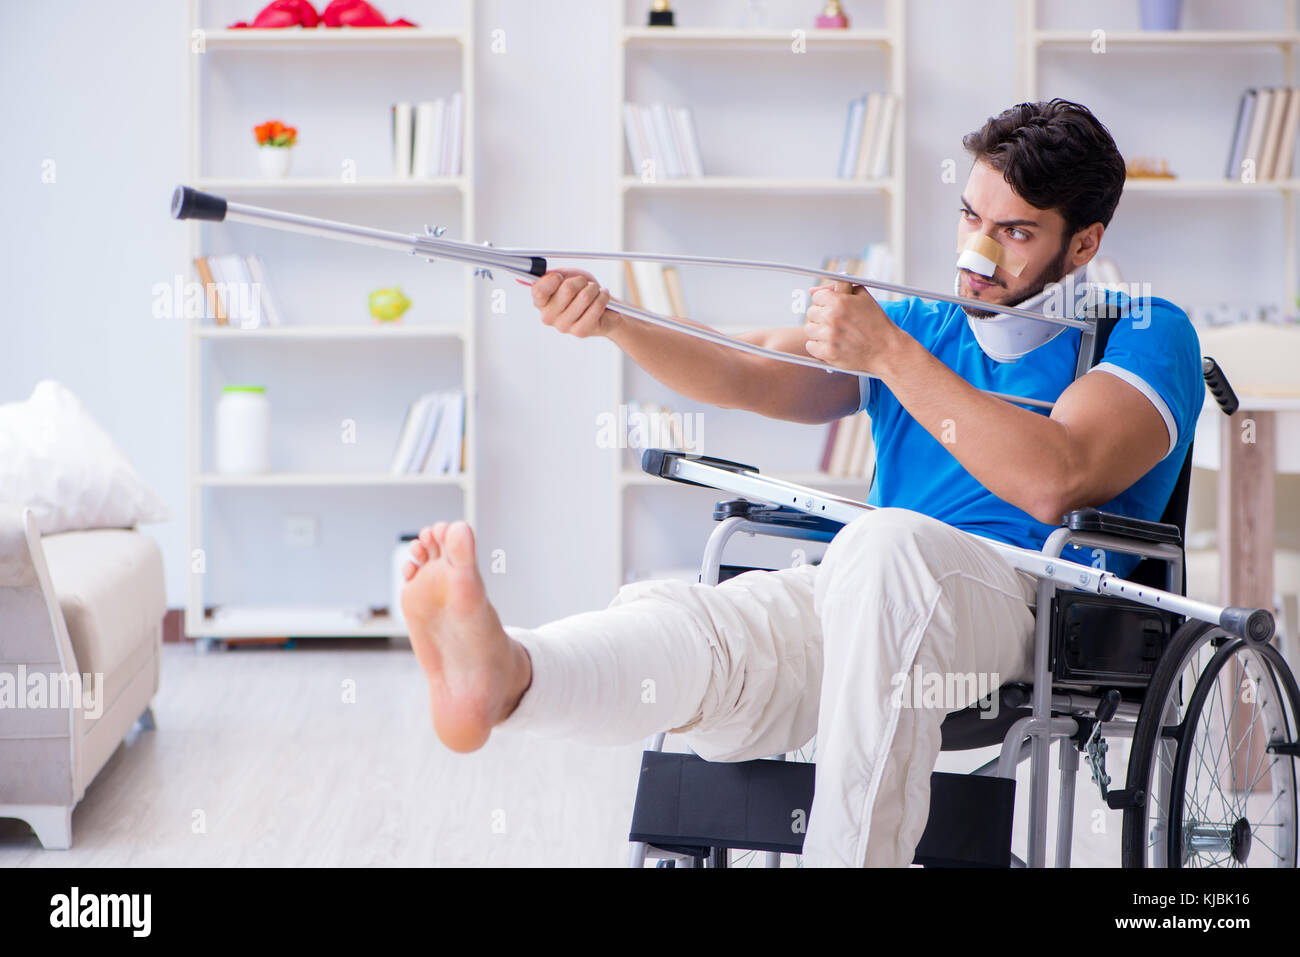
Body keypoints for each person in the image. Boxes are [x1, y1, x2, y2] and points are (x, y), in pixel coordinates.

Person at [398, 99, 1204, 866]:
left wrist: (887, 353)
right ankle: (510, 675)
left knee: (886, 546)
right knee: (714, 631)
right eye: (969, 217)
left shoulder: (1141, 328)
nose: (975, 255)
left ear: (1086, 243)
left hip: (1033, 607)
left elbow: (1054, 477)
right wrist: (613, 318)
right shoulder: (926, 326)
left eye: (1015, 232)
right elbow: (750, 367)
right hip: (874, 595)